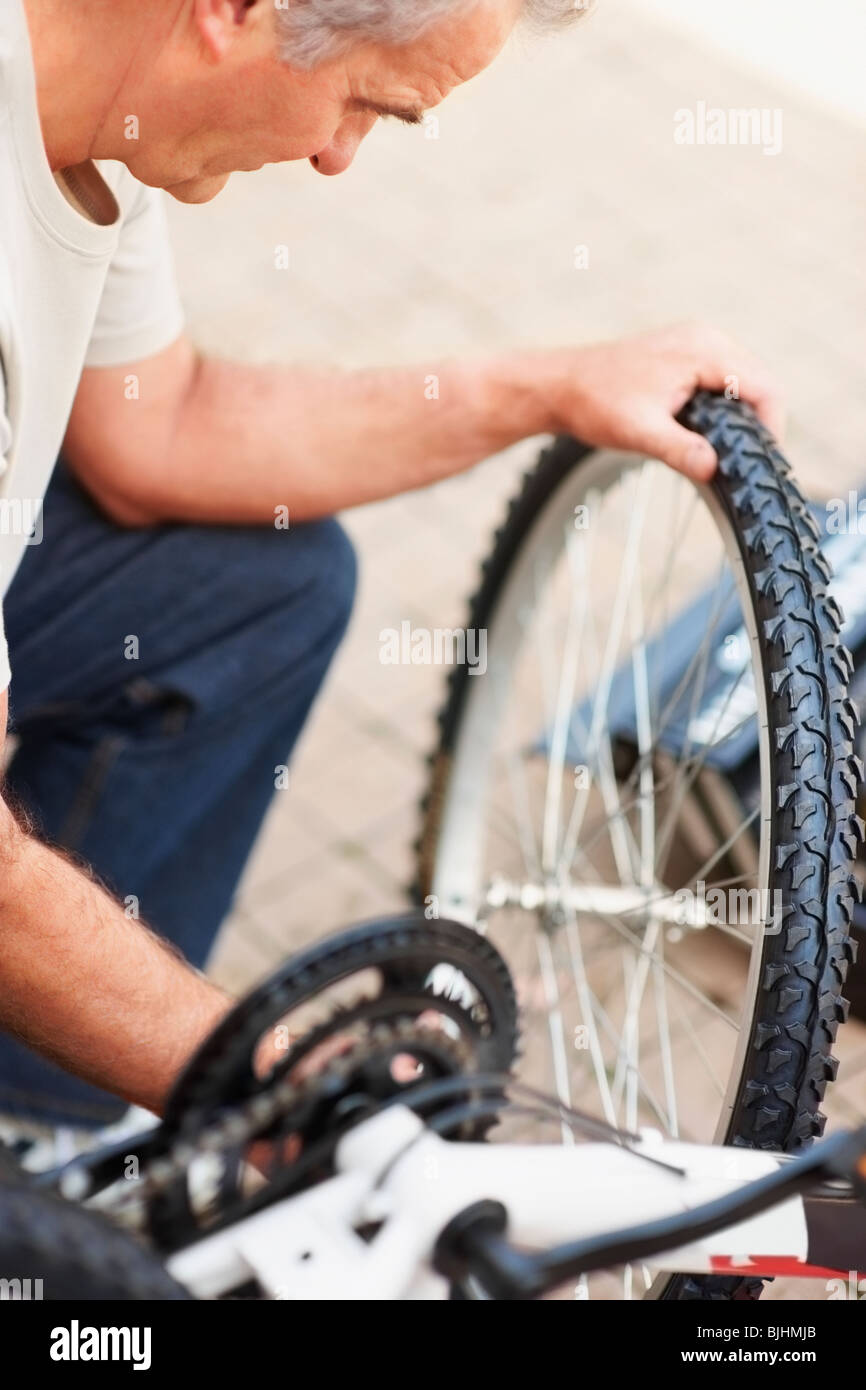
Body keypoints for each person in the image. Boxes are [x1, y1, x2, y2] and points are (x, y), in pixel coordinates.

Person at [0, 0, 783, 1139]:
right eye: (364, 101)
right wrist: (285, 1089)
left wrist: (548, 389)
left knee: (260, 585)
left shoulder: (86, 102)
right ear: (231, 11)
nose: (334, 158)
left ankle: (35, 1110)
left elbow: (162, 428)